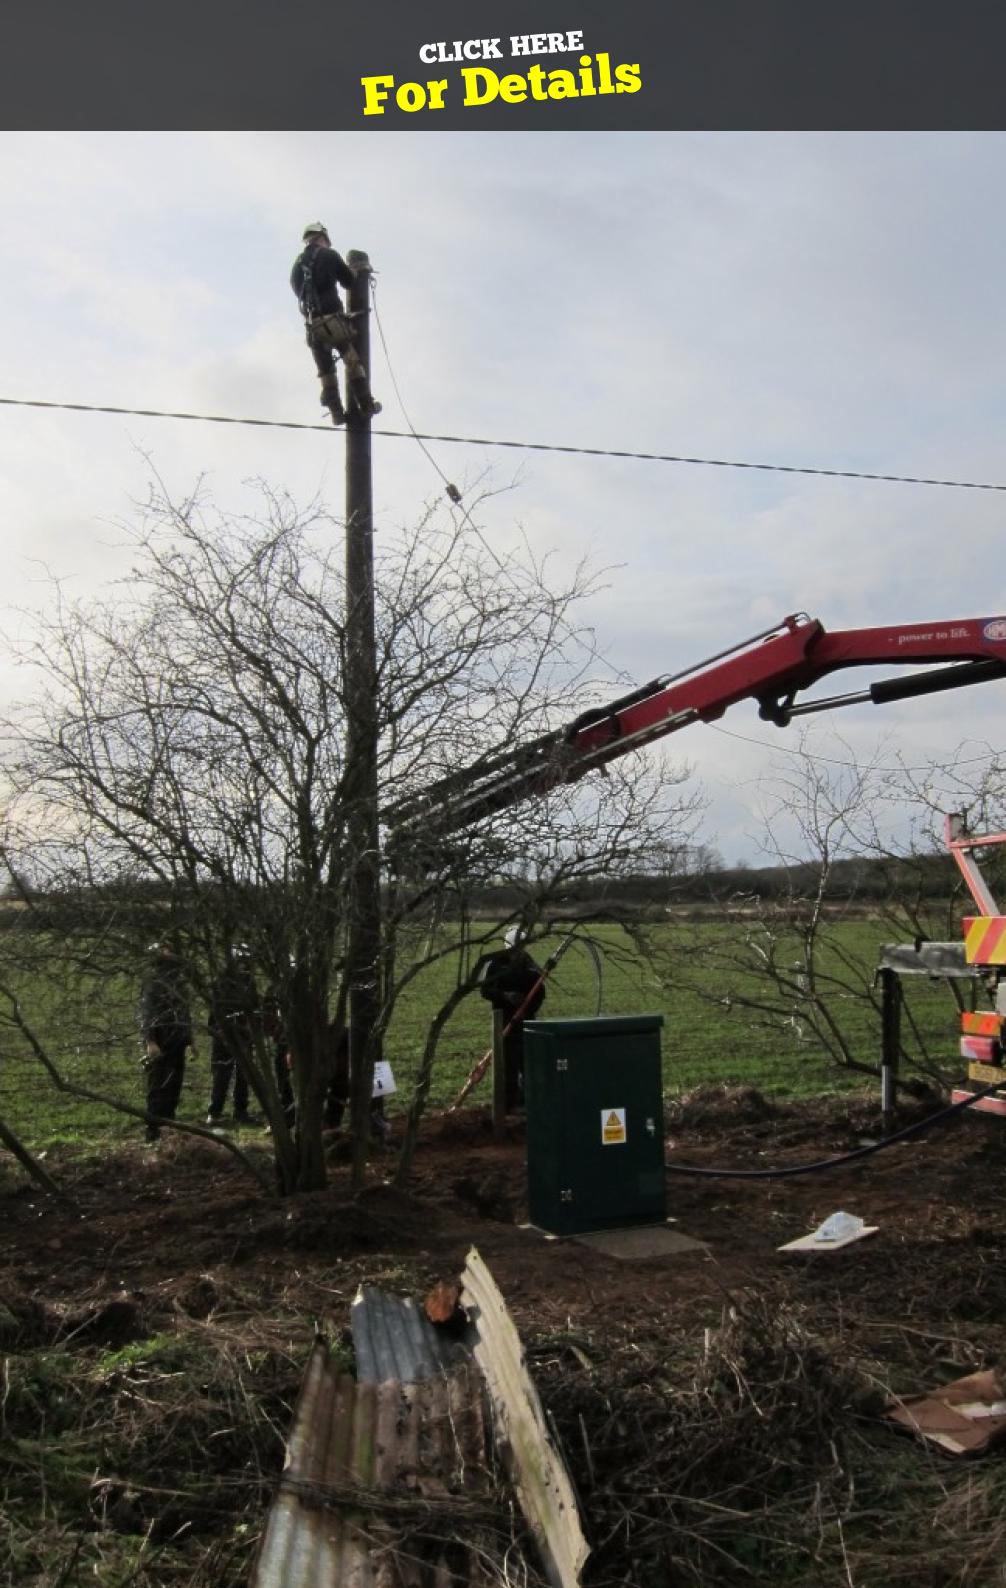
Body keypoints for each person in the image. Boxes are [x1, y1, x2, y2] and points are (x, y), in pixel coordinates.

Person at [290, 222, 382, 425]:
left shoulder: (297, 266)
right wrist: (358, 270)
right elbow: (348, 281)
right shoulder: (329, 255)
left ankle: (337, 413)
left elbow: (297, 291)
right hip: (333, 321)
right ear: (322, 239)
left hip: (312, 327)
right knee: (351, 359)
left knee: (326, 371)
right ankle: (366, 404)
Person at [479, 927, 546, 1109]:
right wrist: (505, 996)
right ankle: (507, 1103)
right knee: (507, 1062)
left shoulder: (530, 964)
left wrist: (528, 1009)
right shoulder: (495, 964)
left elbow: (540, 992)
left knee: (528, 1061)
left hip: (526, 1021)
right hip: (503, 1021)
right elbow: (485, 990)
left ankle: (528, 1101)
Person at [138, 942, 193, 1142]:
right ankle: (153, 1132)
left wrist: (189, 1040)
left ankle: (168, 1128)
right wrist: (150, 1041)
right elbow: (147, 1013)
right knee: (158, 1086)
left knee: (174, 1086)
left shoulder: (178, 981)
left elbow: (185, 1012)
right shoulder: (153, 981)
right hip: (161, 1038)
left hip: (177, 1038)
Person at [205, 944, 258, 1127]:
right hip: (224, 1034)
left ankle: (240, 1110)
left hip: (245, 1034)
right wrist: (222, 1031)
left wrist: (252, 1029)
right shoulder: (222, 982)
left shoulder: (250, 983)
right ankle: (215, 1111)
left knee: (245, 1075)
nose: (245, 965)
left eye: (247, 961)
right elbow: (216, 1010)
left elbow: (255, 1007)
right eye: (242, 961)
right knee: (222, 1073)